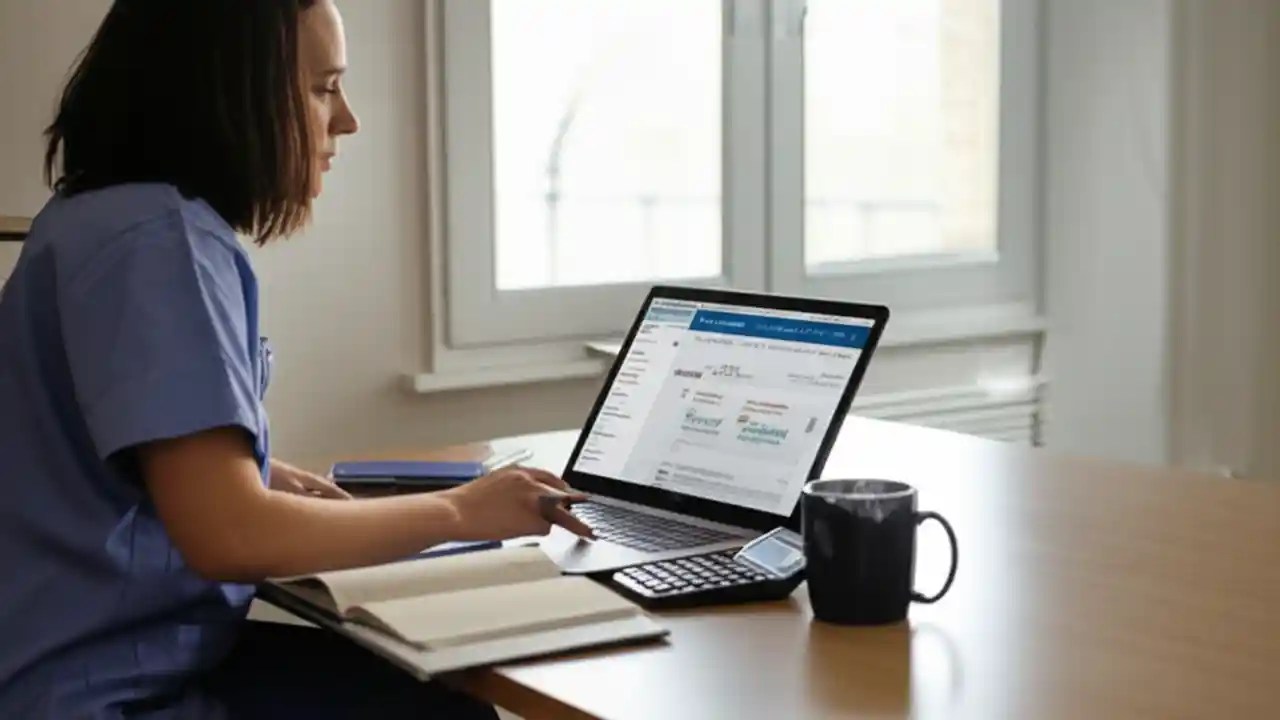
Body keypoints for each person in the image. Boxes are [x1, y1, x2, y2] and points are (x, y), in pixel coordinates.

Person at [0, 1, 592, 717]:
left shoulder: (93, 217)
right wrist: (461, 510)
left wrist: (241, 468)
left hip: (63, 658)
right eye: (322, 86)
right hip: (103, 692)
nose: (347, 119)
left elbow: (89, 445)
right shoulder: (164, 246)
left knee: (413, 686)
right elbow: (232, 534)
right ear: (230, 92)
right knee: (439, 706)